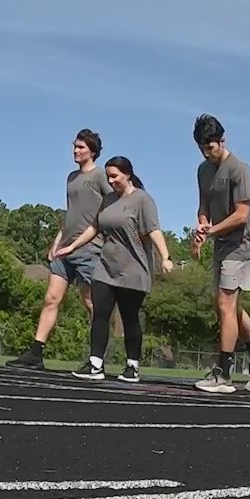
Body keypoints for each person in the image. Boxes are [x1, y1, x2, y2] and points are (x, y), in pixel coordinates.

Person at [10, 129, 111, 369]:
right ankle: (36, 353)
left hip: (89, 248)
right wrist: (57, 241)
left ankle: (97, 358)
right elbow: (71, 212)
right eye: (74, 147)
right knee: (51, 298)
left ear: (93, 151)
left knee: (90, 303)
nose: (76, 151)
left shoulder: (100, 177)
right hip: (65, 247)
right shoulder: (71, 177)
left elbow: (113, 206)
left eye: (81, 148)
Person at [66, 156, 173, 382]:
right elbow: (95, 227)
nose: (111, 181)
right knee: (100, 314)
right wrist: (73, 245)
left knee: (129, 318)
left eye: (114, 176)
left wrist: (165, 257)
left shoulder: (142, 200)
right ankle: (95, 364)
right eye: (108, 177)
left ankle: (132, 366)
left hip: (133, 270)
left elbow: (154, 230)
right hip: (105, 267)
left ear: (128, 174)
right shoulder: (108, 200)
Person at [190, 115, 250, 395]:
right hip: (220, 245)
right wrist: (202, 227)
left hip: (240, 246)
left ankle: (224, 374)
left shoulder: (240, 170)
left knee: (226, 305)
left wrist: (212, 230)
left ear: (222, 140)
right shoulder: (203, 170)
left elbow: (242, 215)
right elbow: (203, 205)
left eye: (211, 147)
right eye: (202, 147)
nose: (207, 152)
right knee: (227, 307)